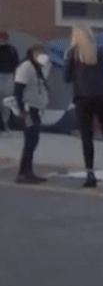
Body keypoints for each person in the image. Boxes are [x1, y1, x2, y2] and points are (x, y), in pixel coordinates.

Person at [64, 25, 103, 188]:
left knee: (87, 137)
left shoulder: (73, 54)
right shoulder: (102, 52)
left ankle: (90, 174)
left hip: (83, 98)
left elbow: (66, 78)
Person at [12, 44, 51, 183]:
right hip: (28, 109)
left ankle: (27, 170)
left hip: (36, 108)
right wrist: (21, 110)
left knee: (34, 140)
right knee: (30, 140)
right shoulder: (26, 67)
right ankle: (24, 172)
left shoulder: (38, 69)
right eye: (38, 53)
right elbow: (18, 89)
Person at [0, 30, 19, 133]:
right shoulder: (12, 49)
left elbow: (16, 65)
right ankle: (4, 124)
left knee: (6, 103)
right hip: (8, 77)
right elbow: (16, 65)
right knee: (6, 103)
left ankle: (4, 124)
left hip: (8, 76)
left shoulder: (12, 50)